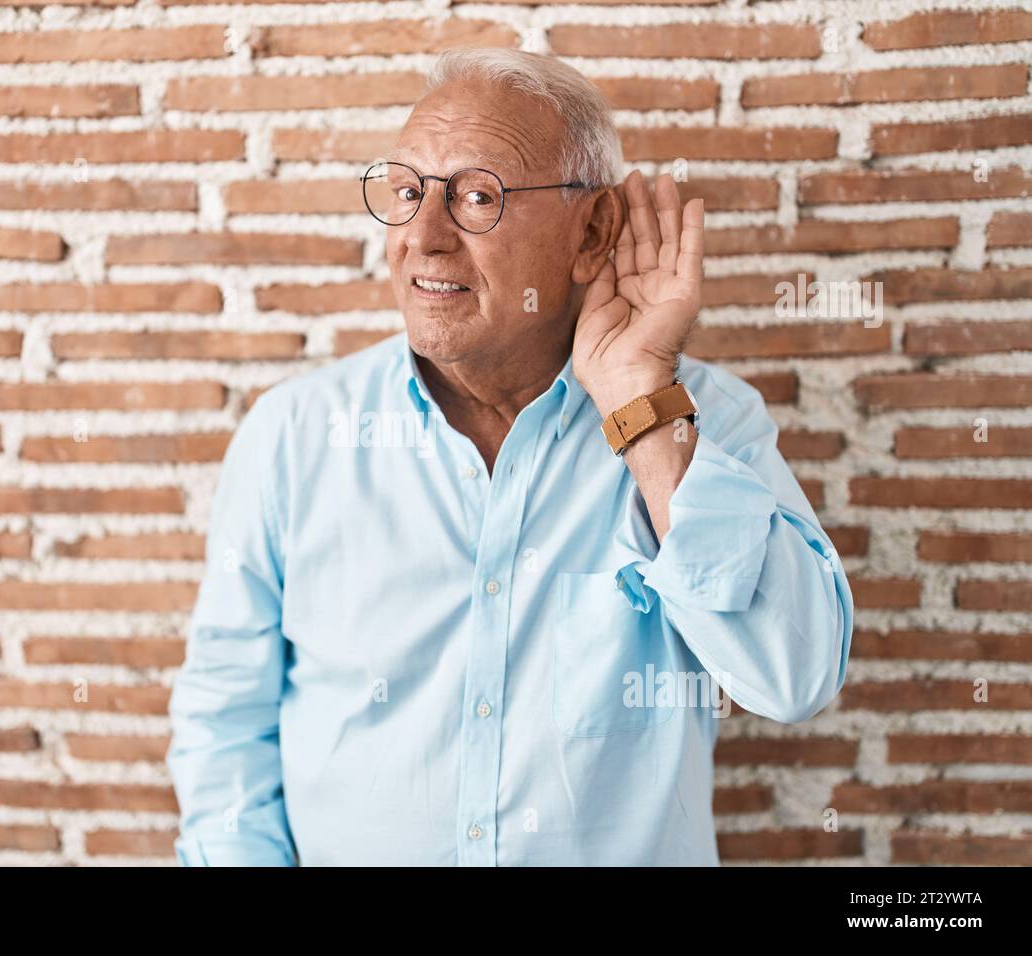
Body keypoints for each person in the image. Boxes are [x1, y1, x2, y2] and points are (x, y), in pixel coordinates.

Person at [166, 48, 854, 866]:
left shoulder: (703, 422)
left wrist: (642, 411)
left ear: (592, 231)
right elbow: (224, 729)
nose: (422, 239)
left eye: (477, 198)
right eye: (407, 192)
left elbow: (796, 677)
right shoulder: (293, 438)